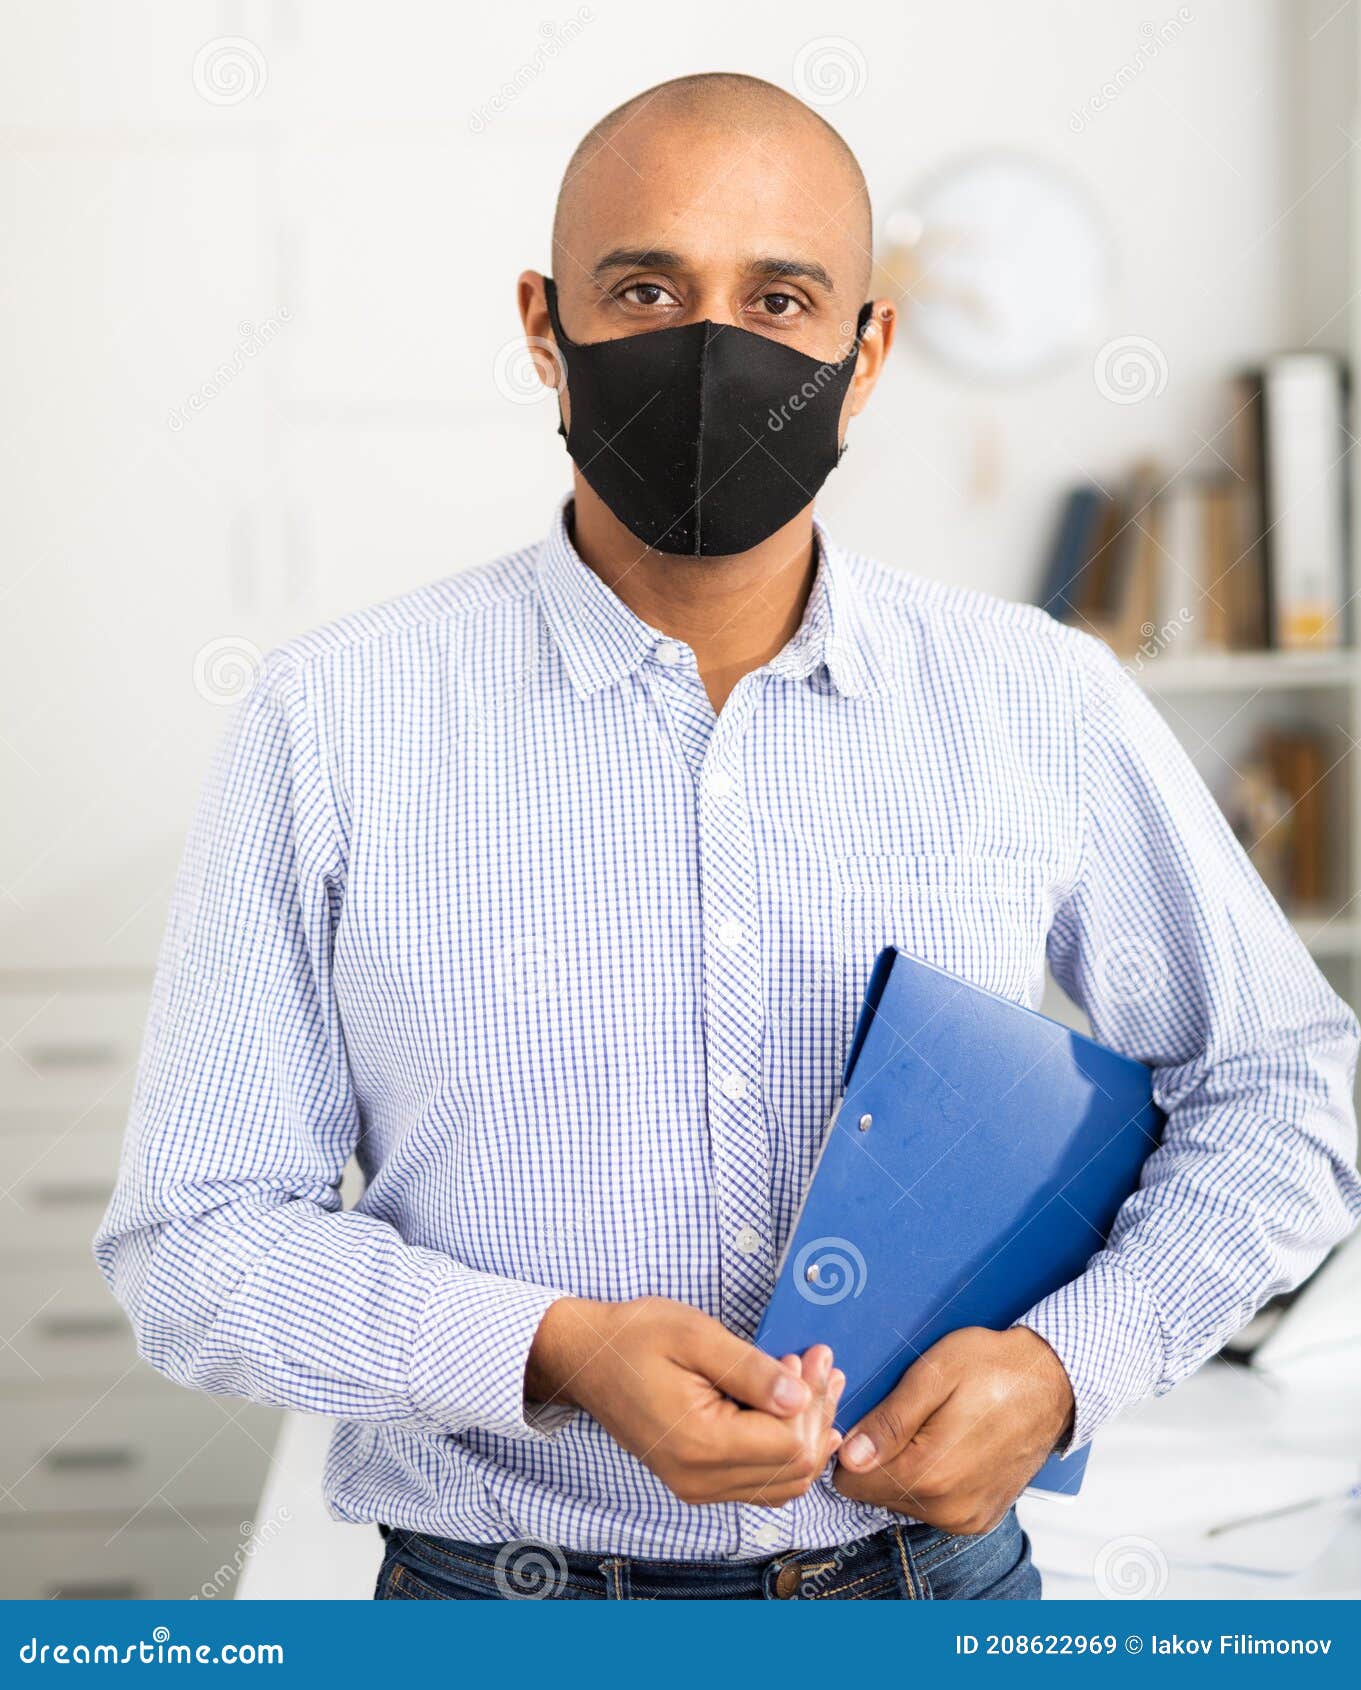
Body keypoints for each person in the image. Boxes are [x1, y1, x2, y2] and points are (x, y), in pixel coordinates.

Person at [96, 73, 1361, 1603]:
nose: (711, 347)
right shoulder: (330, 723)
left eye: (778, 295)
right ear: (542, 325)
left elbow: (1282, 1076)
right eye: (644, 287)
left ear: (865, 349)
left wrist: (1063, 1365)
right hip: (501, 1605)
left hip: (934, 1590)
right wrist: (550, 1350)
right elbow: (194, 1241)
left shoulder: (1037, 698)